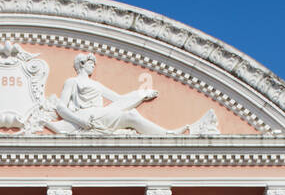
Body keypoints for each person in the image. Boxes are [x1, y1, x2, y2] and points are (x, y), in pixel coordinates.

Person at [43, 53, 218, 136]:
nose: (93, 67)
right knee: (131, 115)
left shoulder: (95, 84)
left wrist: (141, 94)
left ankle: (168, 134)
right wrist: (80, 121)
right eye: (90, 63)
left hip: (100, 114)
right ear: (81, 64)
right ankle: (168, 135)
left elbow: (118, 99)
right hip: (86, 117)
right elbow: (61, 107)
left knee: (131, 113)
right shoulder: (72, 82)